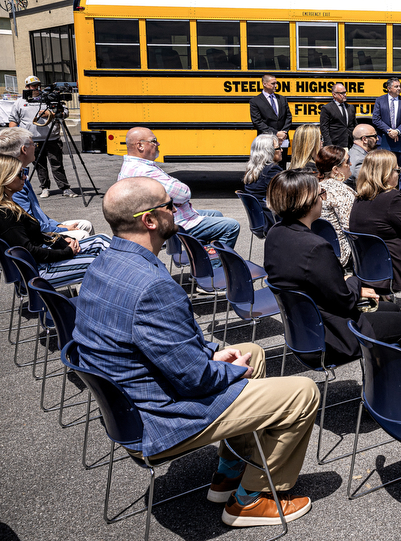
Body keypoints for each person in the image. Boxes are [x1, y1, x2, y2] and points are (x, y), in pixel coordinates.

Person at [72, 176, 318, 527]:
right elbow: (195, 378)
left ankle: (231, 470)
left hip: (135, 397)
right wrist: (228, 369)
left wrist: (215, 355)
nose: (177, 211)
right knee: (302, 392)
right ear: (150, 220)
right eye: (169, 206)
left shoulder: (105, 262)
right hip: (161, 415)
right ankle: (253, 500)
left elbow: (163, 344)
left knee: (250, 351)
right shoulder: (153, 285)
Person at [263, 169, 401, 364]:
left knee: (392, 309)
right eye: (321, 194)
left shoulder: (275, 233)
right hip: (332, 335)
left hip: (303, 328)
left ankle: (379, 370)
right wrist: (353, 281)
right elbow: (345, 301)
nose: (324, 199)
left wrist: (345, 282)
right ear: (307, 201)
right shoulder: (315, 247)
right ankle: (388, 385)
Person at [117, 127, 240, 253]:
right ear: (140, 146)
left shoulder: (131, 166)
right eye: (154, 141)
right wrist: (177, 185)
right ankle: (211, 267)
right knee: (232, 226)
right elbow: (184, 193)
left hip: (171, 215)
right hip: (175, 222)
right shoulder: (144, 170)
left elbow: (174, 191)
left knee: (216, 214)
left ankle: (199, 256)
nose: (158, 144)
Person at [0, 154, 110, 286]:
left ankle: (136, 271)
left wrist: (61, 240)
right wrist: (66, 252)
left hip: (44, 262)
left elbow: (35, 237)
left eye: (24, 172)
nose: (25, 177)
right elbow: (29, 250)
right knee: (97, 263)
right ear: (5, 178)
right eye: (20, 174)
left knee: (99, 240)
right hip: (38, 272)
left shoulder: (10, 205)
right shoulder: (4, 214)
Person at [349, 149, 401, 293]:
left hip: (367, 269)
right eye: (397, 170)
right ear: (386, 174)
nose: (399, 174)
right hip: (397, 271)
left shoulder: (359, 198)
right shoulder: (393, 198)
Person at [0, 127, 92, 240]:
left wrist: (58, 225)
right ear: (24, 149)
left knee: (85, 224)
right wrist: (64, 229)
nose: (36, 147)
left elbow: (38, 213)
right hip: (39, 234)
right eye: (33, 144)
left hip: (45, 226)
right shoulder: (14, 181)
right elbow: (32, 223)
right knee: (82, 234)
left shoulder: (21, 175)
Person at [8, 76, 76, 198]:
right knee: (39, 165)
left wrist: (51, 114)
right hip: (32, 141)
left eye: (38, 85)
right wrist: (13, 138)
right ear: (27, 87)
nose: (36, 88)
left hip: (52, 139)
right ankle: (45, 188)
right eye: (33, 86)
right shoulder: (20, 102)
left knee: (57, 164)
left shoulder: (49, 98)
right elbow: (13, 120)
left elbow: (64, 113)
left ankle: (65, 188)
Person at [315, 145, 355, 267]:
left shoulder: (316, 185)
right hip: (341, 252)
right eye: (347, 161)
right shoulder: (340, 191)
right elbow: (350, 226)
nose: (351, 164)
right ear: (335, 169)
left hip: (319, 247)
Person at [371, 78, 401, 192]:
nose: (399, 88)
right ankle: (384, 189)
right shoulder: (380, 100)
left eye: (399, 86)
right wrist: (389, 131)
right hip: (385, 138)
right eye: (396, 86)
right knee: (384, 165)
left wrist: (397, 131)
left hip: (400, 138)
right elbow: (376, 119)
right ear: (389, 88)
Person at [242, 134, 282, 224]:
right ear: (269, 151)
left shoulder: (252, 170)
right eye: (278, 148)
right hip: (272, 220)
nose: (281, 150)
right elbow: (286, 195)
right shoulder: (271, 170)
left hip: (259, 221)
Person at [248, 74, 291, 142]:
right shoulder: (255, 101)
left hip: (283, 139)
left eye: (276, 83)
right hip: (265, 139)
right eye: (273, 83)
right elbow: (257, 122)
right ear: (264, 84)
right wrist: (276, 133)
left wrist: (283, 132)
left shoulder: (282, 99)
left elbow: (288, 117)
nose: (276, 85)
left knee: (282, 153)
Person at [319, 82, 356, 148]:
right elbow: (324, 128)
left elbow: (354, 124)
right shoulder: (327, 108)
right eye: (342, 93)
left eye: (345, 92)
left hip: (350, 144)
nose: (345, 95)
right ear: (334, 94)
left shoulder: (350, 107)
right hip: (336, 144)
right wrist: (329, 145)